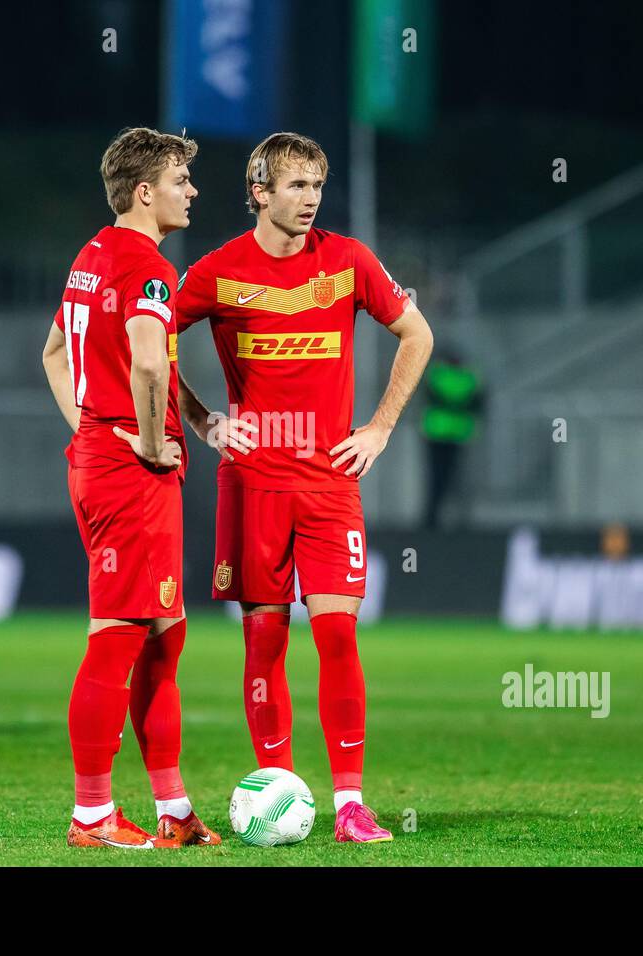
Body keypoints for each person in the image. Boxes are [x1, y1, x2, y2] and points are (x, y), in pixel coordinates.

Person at [176, 132, 434, 843]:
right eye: (295, 185)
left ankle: (350, 802)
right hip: (254, 484)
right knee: (264, 647)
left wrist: (379, 428)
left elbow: (418, 335)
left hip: (329, 484)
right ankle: (277, 791)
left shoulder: (349, 261)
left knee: (339, 638)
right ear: (258, 192)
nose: (310, 197)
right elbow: (148, 338)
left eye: (317, 184)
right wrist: (203, 421)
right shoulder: (219, 271)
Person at [41, 127, 219, 849]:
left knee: (162, 639)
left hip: (100, 458)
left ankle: (172, 808)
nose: (193, 190)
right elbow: (150, 364)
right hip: (130, 475)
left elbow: (54, 353)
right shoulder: (148, 269)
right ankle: (91, 815)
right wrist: (147, 440)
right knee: (117, 640)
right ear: (145, 192)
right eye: (182, 179)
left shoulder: (91, 256)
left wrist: (90, 424)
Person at [422, 346, 481, 529]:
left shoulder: (437, 375)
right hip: (457, 433)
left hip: (437, 431)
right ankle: (460, 519)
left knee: (436, 477)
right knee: (455, 477)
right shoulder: (468, 378)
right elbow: (477, 403)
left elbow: (429, 397)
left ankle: (432, 519)